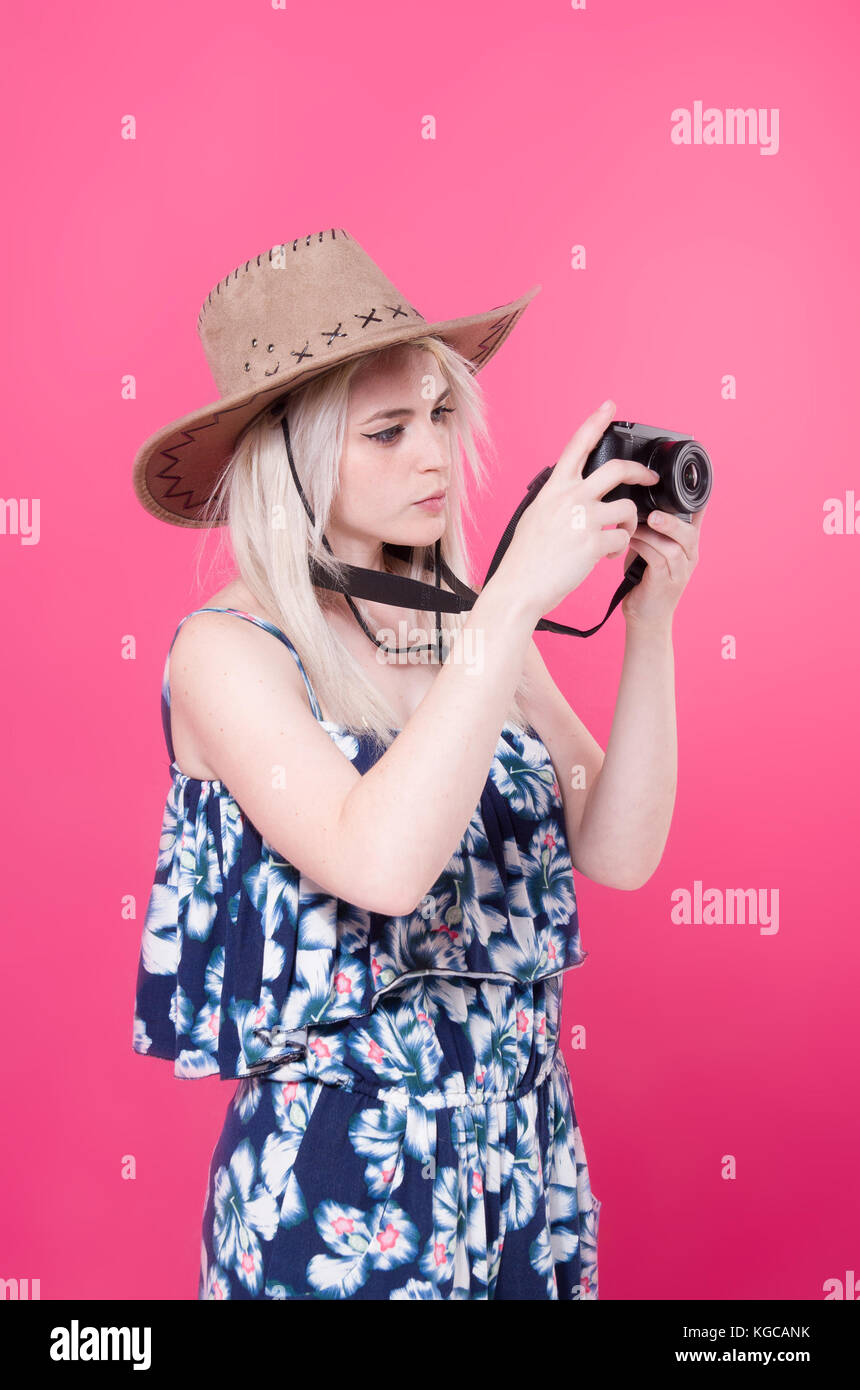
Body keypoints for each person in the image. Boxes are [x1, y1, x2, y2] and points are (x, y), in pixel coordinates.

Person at [131, 228, 704, 1300]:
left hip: (522, 1163)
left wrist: (650, 622)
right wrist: (510, 606)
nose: (434, 455)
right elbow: (380, 864)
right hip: (345, 1182)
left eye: (440, 414)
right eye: (386, 431)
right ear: (292, 453)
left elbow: (617, 846)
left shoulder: (461, 630)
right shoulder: (225, 653)